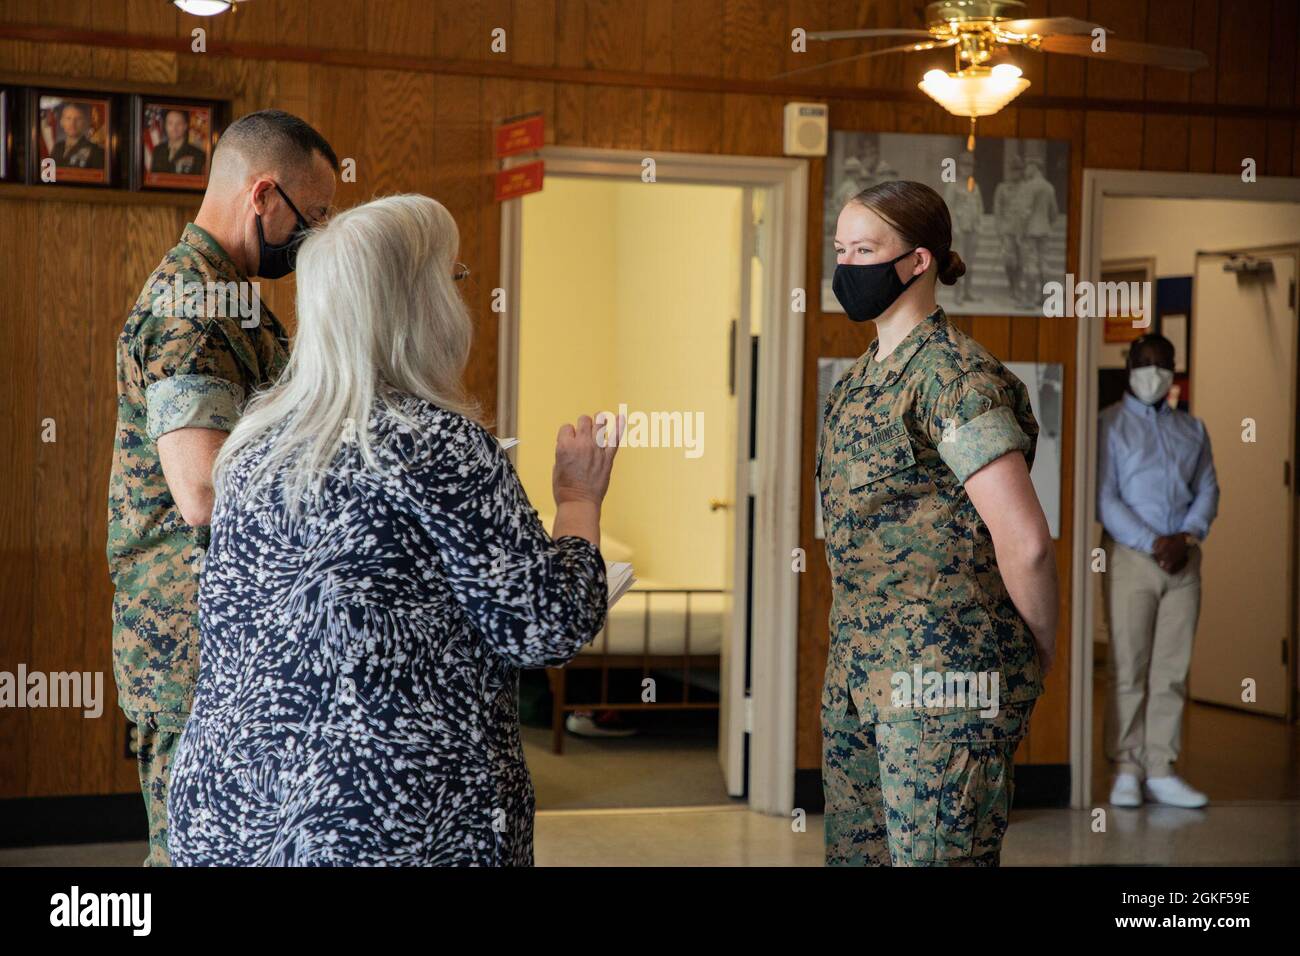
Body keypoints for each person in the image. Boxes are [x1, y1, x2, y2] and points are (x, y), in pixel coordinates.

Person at [166, 194, 620, 866]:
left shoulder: (252, 448)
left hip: (232, 813)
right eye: (454, 279)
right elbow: (544, 624)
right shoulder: (438, 445)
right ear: (421, 305)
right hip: (389, 825)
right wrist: (579, 499)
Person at [106, 109, 338, 866]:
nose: (316, 239)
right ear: (264, 195)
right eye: (314, 217)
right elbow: (202, 491)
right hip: (186, 643)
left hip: (226, 634)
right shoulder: (191, 308)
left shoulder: (231, 298)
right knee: (192, 854)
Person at [817, 180, 1057, 866]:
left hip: (946, 687)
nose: (847, 267)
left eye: (865, 250)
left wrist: (1033, 654)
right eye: (841, 250)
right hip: (861, 681)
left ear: (918, 261)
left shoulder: (953, 378)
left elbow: (1027, 544)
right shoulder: (861, 378)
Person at [1098, 333, 1218, 809]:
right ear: (1129, 366)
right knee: (1129, 664)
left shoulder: (1193, 429)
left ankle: (1161, 766)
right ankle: (1127, 766)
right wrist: (1155, 542)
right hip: (1132, 557)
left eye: (1163, 363)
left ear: (1174, 369)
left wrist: (1186, 536)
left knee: (1171, 668)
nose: (1154, 371)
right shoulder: (1108, 426)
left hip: (1184, 561)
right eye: (1145, 362)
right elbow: (1104, 497)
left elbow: (1207, 487)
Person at [1014, 159, 1058, 309]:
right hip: (1044, 230)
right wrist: (1045, 224)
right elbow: (1054, 213)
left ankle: (1029, 300)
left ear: (1034, 168)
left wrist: (1020, 231)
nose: (1025, 171)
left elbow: (1024, 213)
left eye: (1027, 168)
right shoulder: (1049, 187)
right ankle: (1044, 299)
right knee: (1044, 265)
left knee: (1030, 265)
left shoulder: (1029, 186)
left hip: (1030, 231)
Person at [941, 152, 983, 305]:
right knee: (959, 263)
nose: (968, 168)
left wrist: (979, 225)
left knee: (970, 262)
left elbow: (979, 206)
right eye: (965, 165)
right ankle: (957, 295)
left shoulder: (974, 186)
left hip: (972, 228)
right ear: (959, 167)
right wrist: (955, 227)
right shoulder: (953, 185)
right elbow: (949, 208)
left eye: (970, 166)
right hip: (960, 229)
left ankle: (967, 292)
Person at [992, 156, 1025, 303]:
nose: (1015, 173)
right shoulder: (1002, 188)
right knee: (1009, 261)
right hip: (1007, 229)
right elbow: (997, 209)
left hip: (1022, 230)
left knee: (1021, 261)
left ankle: (1017, 287)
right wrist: (999, 228)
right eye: (1013, 170)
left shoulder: (1026, 187)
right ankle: (1012, 287)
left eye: (1018, 170)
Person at [150, 109, 207, 176]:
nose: (174, 128)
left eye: (179, 123)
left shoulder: (198, 154)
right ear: (165, 126)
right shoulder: (158, 150)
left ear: (185, 126)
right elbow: (153, 178)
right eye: (170, 123)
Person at [49, 101, 104, 169]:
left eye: (78, 119)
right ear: (62, 122)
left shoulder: (96, 151)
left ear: (84, 123)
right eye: (68, 118)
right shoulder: (57, 147)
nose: (72, 123)